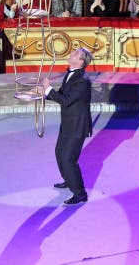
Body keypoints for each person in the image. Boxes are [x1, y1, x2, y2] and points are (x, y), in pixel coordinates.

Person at [43, 48, 94, 206]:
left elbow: (66, 100)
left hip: (77, 126)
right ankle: (68, 180)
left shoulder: (82, 81)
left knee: (68, 159)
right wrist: (44, 92)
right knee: (59, 152)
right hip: (68, 123)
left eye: (75, 54)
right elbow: (62, 95)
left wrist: (48, 89)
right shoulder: (71, 74)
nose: (71, 54)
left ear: (80, 61)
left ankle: (80, 193)